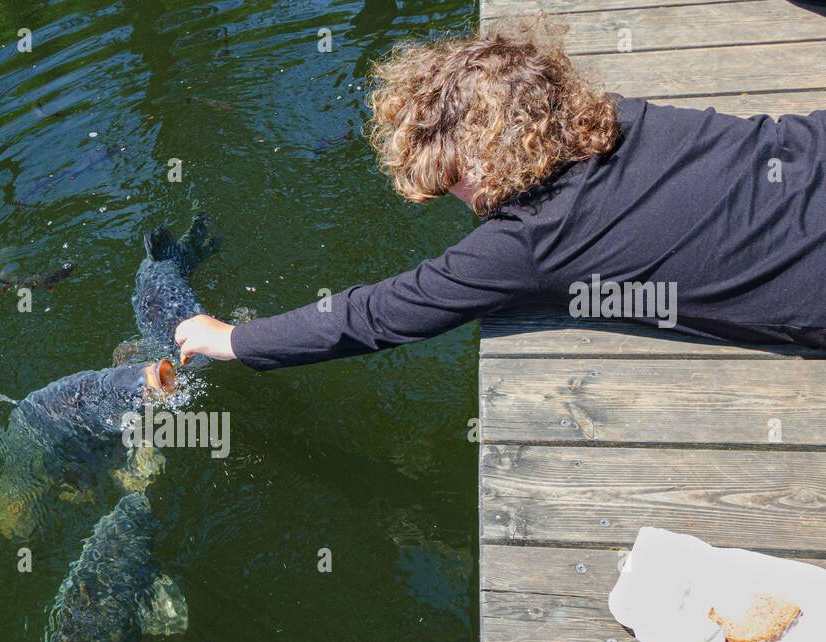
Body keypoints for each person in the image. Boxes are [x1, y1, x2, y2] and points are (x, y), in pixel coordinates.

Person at [175, 18, 826, 370]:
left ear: (479, 165)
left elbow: (376, 314)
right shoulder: (620, 117)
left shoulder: (529, 242)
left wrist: (233, 339)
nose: (452, 194)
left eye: (447, 177)